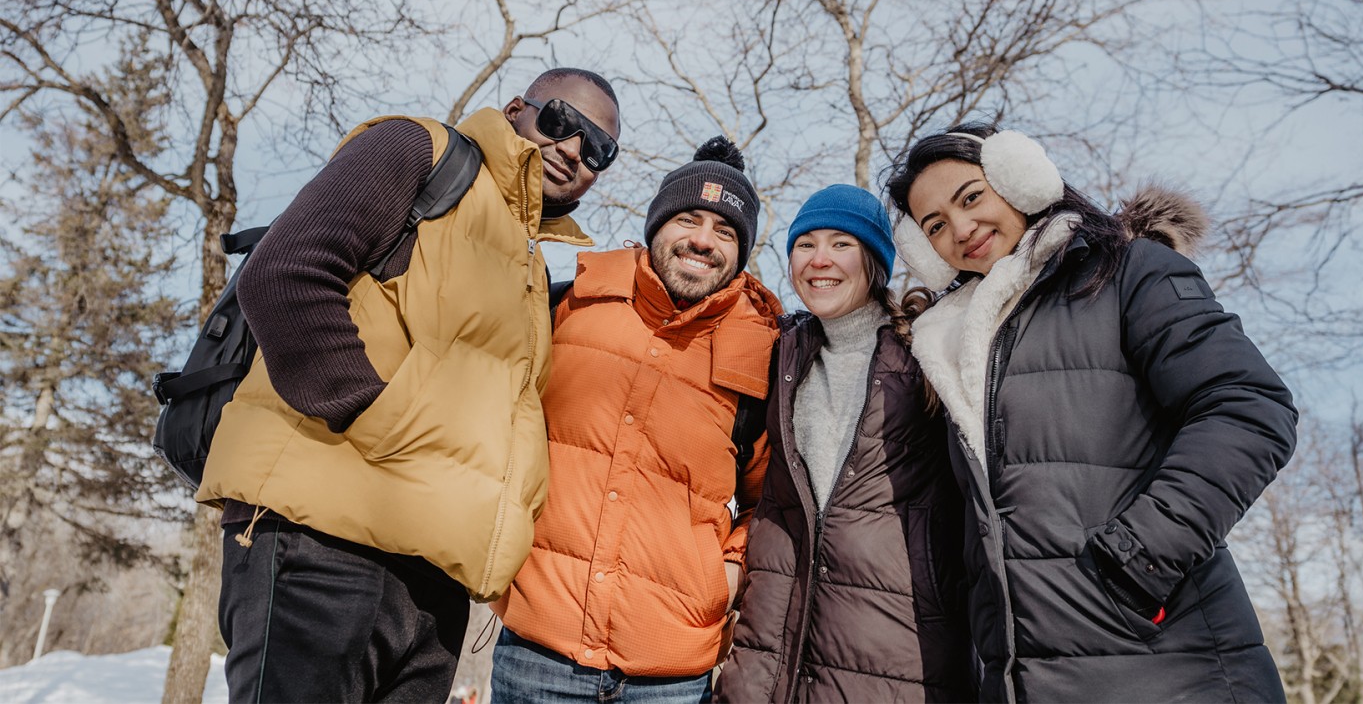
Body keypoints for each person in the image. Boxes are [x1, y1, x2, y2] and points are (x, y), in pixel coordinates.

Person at [198, 67, 619, 702]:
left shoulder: (528, 266)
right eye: (563, 121)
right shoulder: (418, 150)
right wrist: (382, 422)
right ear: (517, 108)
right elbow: (286, 274)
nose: (573, 150)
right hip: (322, 544)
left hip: (433, 578)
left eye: (598, 150)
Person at [882, 123, 1299, 703]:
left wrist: (1138, 559)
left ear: (1020, 179)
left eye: (971, 197)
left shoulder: (1128, 272)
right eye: (934, 226)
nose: (961, 229)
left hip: (1169, 667)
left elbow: (1248, 406)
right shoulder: (945, 346)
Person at [489, 136, 782, 704]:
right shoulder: (567, 305)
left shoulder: (761, 357)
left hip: (671, 673)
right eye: (689, 219)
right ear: (656, 226)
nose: (703, 240)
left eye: (725, 231)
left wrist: (726, 575)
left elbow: (770, 501)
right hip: (537, 650)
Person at [717, 185, 976, 703]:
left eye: (841, 244)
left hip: (893, 656)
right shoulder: (781, 355)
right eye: (805, 244)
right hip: (771, 656)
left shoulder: (925, 356)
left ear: (874, 262)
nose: (820, 260)